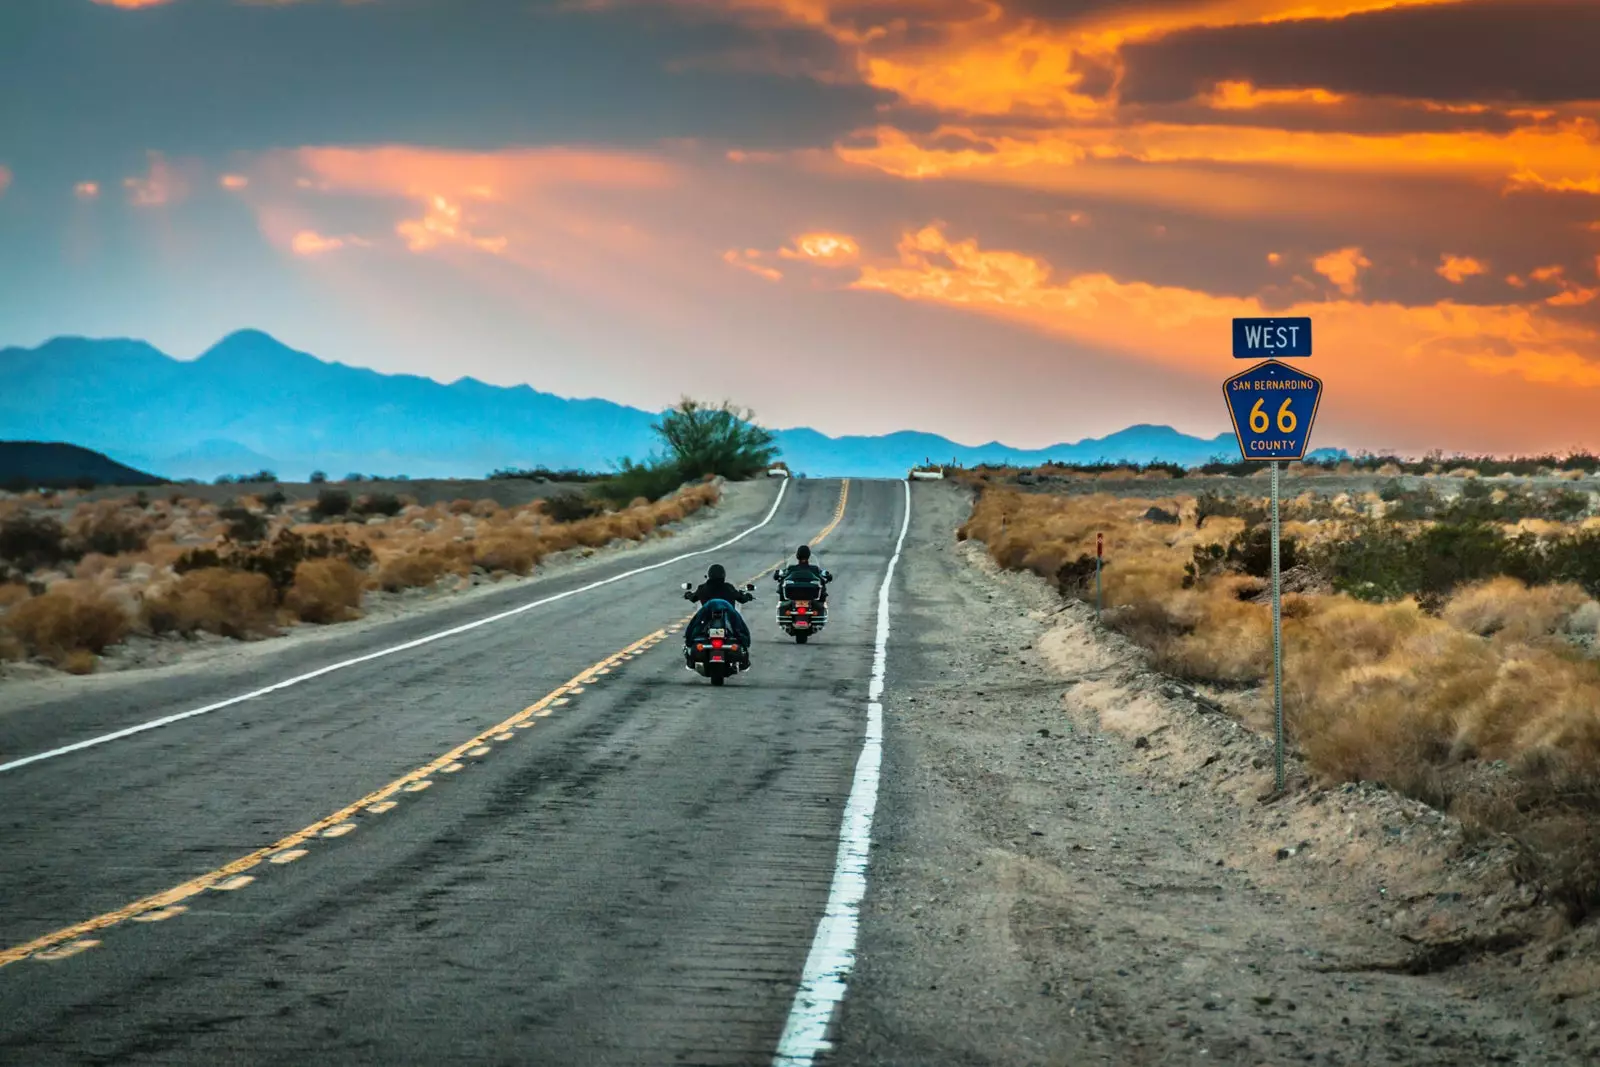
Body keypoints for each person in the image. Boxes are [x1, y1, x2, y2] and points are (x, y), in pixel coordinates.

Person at [684, 563, 754, 666]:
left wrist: (688, 594)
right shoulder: (728, 587)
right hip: (728, 616)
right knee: (741, 631)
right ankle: (745, 654)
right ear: (723, 575)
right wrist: (747, 596)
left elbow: (693, 597)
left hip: (706, 617)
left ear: (709, 575)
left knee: (692, 629)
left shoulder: (703, 588)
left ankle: (689, 649)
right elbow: (742, 599)